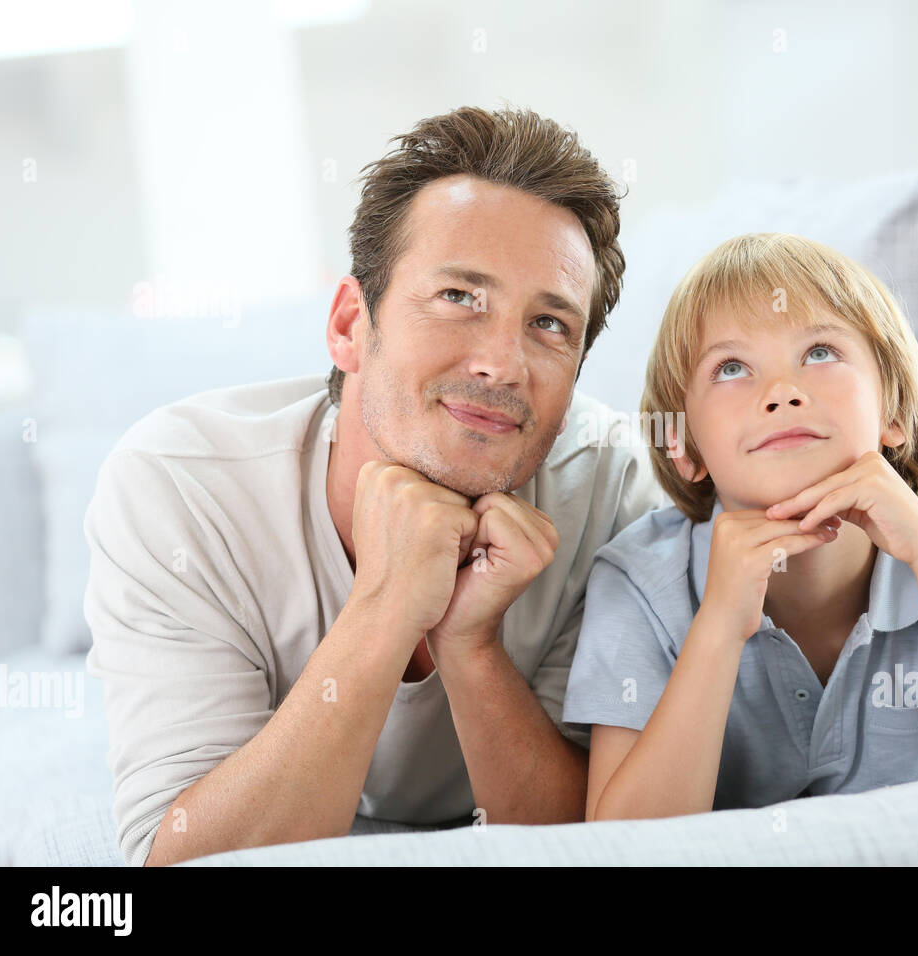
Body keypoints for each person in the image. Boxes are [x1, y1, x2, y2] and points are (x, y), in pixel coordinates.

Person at [83, 105, 666, 866]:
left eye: (550, 324)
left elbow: (594, 841)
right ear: (350, 324)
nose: (502, 364)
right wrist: (387, 605)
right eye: (460, 297)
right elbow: (184, 860)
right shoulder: (179, 486)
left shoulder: (613, 491)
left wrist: (471, 642)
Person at [562, 232, 918, 821]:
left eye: (820, 353)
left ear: (895, 412)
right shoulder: (637, 581)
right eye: (731, 368)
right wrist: (720, 624)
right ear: (684, 447)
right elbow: (624, 843)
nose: (782, 393)